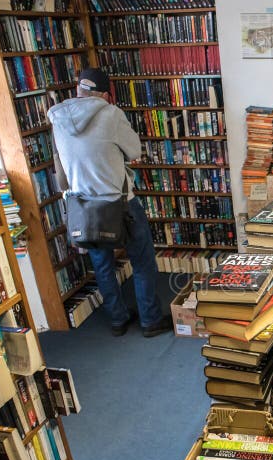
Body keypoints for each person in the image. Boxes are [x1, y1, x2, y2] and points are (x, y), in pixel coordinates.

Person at [48, 68, 171, 337]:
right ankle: (150, 320)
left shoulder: (57, 117)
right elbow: (134, 150)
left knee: (102, 266)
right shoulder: (111, 114)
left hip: (84, 206)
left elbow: (60, 169)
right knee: (142, 260)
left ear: (78, 90)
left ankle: (118, 319)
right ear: (105, 94)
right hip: (120, 203)